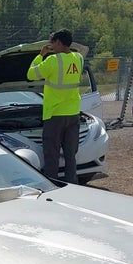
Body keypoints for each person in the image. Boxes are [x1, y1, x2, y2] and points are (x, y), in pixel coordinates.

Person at [27, 29, 84, 183]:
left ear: (58, 42)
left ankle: (52, 184)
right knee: (70, 155)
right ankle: (72, 184)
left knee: (51, 155)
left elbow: (30, 74)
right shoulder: (78, 58)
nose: (51, 45)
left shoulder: (52, 60)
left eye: (52, 42)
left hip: (54, 114)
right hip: (73, 113)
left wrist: (40, 55)